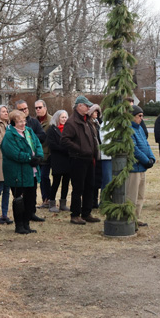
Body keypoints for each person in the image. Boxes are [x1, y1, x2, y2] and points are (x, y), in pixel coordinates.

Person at [2, 109, 44, 234]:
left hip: (31, 171)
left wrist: (39, 156)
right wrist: (30, 158)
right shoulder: (10, 135)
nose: (23, 124)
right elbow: (13, 153)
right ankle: (19, 225)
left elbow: (37, 145)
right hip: (17, 172)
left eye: (24, 121)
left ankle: (27, 223)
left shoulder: (29, 131)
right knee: (19, 199)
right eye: (19, 121)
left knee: (30, 199)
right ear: (13, 122)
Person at [61, 95, 101, 224]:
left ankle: (86, 213)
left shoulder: (87, 121)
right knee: (78, 188)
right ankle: (75, 214)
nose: (89, 108)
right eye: (87, 106)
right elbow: (65, 140)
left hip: (89, 159)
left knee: (90, 186)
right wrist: (79, 149)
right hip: (78, 159)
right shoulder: (72, 122)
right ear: (79, 106)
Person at [127, 105, 155, 227]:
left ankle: (136, 217)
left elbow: (146, 145)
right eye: (139, 116)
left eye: (142, 116)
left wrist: (152, 158)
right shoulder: (129, 129)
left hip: (142, 167)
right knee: (132, 195)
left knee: (140, 195)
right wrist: (145, 160)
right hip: (134, 168)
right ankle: (129, 219)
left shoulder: (140, 129)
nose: (141, 118)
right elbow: (134, 149)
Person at [45, 109, 71, 213]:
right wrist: (65, 149)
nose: (64, 119)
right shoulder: (52, 129)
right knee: (56, 182)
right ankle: (51, 203)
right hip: (57, 159)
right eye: (62, 117)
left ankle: (63, 204)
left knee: (66, 182)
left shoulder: (69, 130)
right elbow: (52, 144)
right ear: (57, 118)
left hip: (68, 160)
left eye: (65, 117)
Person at [33, 100, 53, 207]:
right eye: (36, 108)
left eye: (40, 107)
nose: (38, 110)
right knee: (39, 177)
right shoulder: (33, 121)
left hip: (47, 154)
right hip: (36, 154)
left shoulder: (51, 121)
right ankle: (44, 198)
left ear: (45, 108)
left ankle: (48, 199)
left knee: (45, 176)